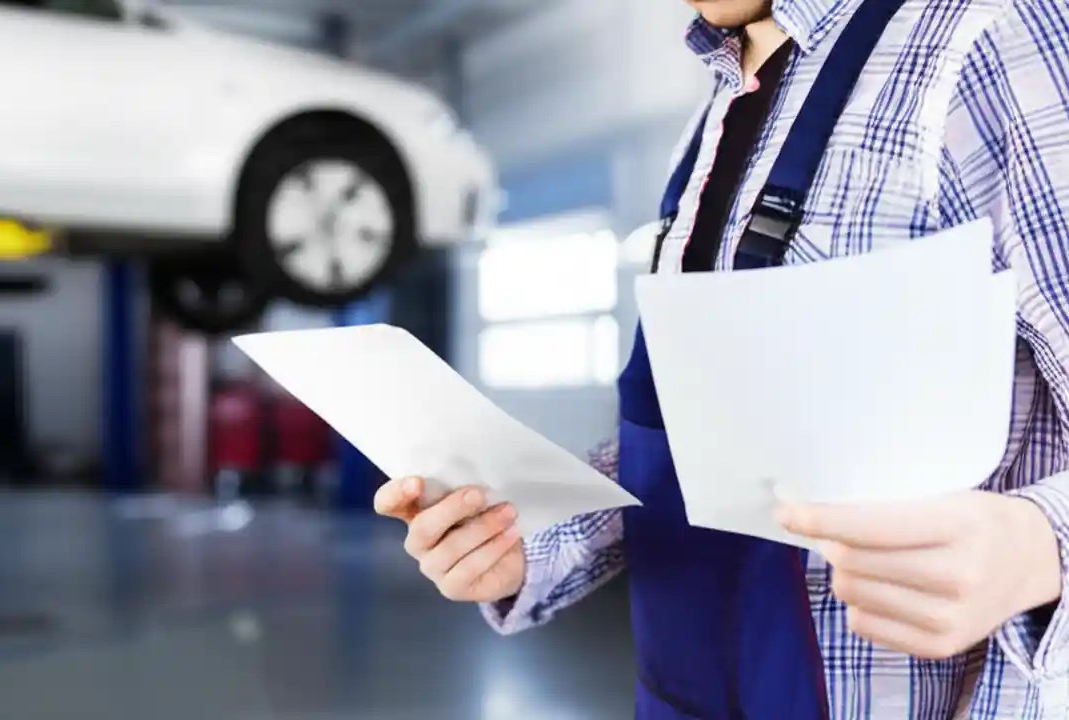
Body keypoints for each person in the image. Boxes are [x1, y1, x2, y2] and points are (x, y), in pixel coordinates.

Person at [374, 0, 1069, 718]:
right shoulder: (715, 120)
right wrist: (523, 540)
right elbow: (693, 441)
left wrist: (1039, 546)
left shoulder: (993, 37)